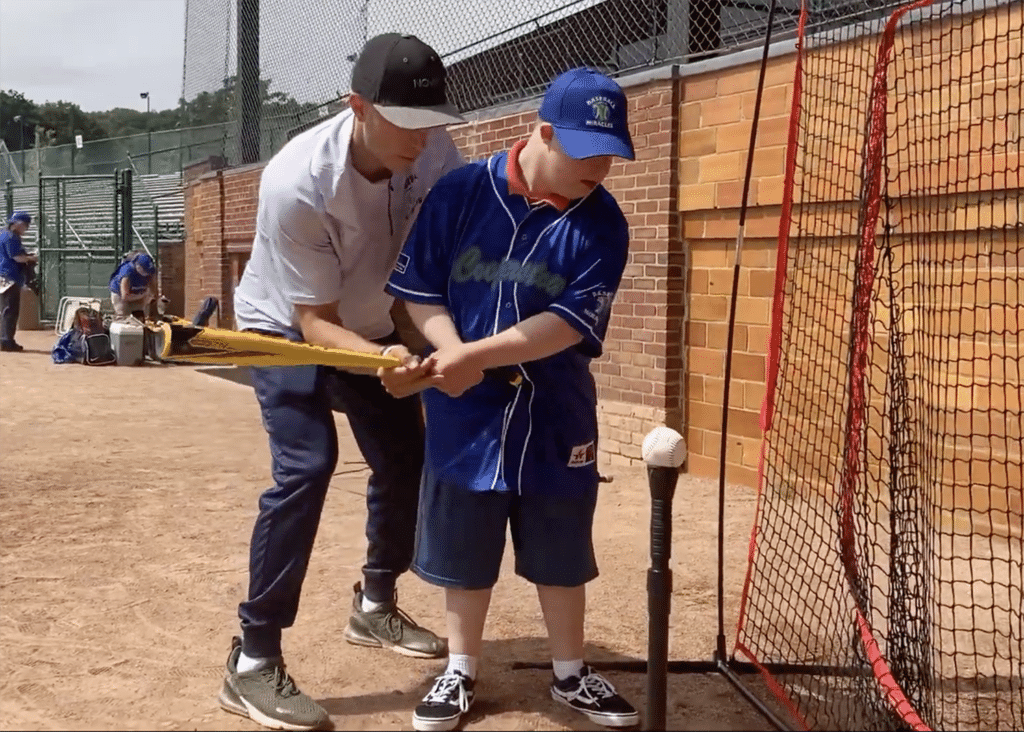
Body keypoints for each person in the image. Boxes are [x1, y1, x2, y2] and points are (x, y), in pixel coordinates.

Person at [219, 33, 467, 731]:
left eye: (431, 122)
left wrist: (422, 350)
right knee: (308, 464)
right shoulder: (298, 182)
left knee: (405, 455)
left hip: (372, 318)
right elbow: (315, 323)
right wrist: (387, 360)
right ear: (356, 106)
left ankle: (375, 604)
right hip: (285, 326)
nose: (421, 139)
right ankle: (252, 659)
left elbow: (425, 273)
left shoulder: (437, 153)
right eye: (404, 122)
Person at [384, 67, 640, 731]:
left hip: (554, 406)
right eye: (586, 151)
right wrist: (449, 350)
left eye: (610, 153)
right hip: (464, 408)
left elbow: (565, 324)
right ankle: (460, 669)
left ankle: (570, 673)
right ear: (544, 132)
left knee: (562, 546)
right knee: (464, 547)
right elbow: (419, 292)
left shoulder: (603, 224)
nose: (600, 168)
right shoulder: (462, 192)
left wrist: (472, 357)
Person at [0, 211, 37, 352]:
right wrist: (32, 258)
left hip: (5, 275)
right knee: (10, 309)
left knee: (6, 309)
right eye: (25, 225)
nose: (26, 228)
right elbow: (17, 258)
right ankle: (6, 341)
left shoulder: (5, 234)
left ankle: (5, 339)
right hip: (9, 276)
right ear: (17, 224)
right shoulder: (11, 237)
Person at [109, 251, 158, 318]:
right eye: (145, 270)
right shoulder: (127, 272)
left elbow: (153, 288)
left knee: (140, 316)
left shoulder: (151, 272)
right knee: (123, 315)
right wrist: (142, 295)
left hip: (139, 292)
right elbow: (125, 296)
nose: (147, 273)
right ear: (138, 266)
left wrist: (153, 297)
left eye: (149, 270)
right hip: (120, 294)